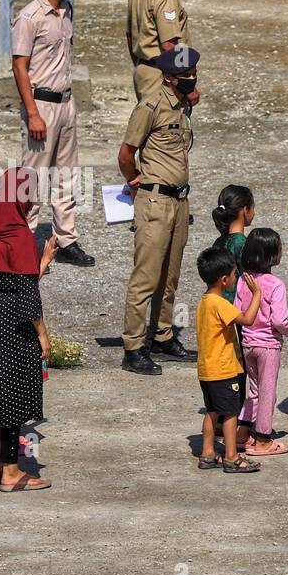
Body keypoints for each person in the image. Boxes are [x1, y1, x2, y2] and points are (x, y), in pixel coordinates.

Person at [0, 168, 57, 493]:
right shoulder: (20, 236)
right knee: (14, 393)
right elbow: (27, 297)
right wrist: (42, 335)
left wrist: (40, 264)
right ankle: (11, 471)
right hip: (15, 323)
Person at [118, 45, 200, 376]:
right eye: (185, 76)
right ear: (167, 77)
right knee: (146, 277)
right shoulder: (149, 106)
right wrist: (135, 180)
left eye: (194, 74)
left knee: (170, 276)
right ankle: (134, 347)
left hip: (179, 201)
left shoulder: (181, 104)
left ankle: (163, 334)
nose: (191, 80)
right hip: (154, 201)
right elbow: (126, 153)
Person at [11, 0, 94, 268]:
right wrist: (32, 113)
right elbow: (19, 66)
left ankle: (66, 239)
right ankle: (22, 241)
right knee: (33, 177)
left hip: (66, 103)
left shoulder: (66, 10)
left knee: (67, 175)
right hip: (41, 105)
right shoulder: (29, 17)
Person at [195, 247, 263, 474]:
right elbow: (248, 319)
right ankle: (232, 457)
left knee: (212, 410)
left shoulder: (204, 301)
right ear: (224, 280)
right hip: (223, 370)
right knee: (231, 413)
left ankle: (207, 453)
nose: (235, 278)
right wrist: (257, 295)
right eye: (234, 274)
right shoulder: (220, 303)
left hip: (207, 370)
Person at [235, 228, 288, 456]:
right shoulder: (275, 284)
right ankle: (262, 439)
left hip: (248, 343)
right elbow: (279, 320)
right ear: (273, 254)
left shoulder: (244, 279)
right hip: (268, 346)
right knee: (268, 392)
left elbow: (236, 311)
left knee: (254, 391)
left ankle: (242, 434)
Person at [128, 0, 193, 103]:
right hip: (163, 77)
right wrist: (186, 82)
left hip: (143, 71)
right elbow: (169, 45)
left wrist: (141, 65)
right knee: (167, 128)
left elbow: (130, 35)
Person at [211, 184, 254, 302]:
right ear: (245, 210)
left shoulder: (218, 242)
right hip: (236, 309)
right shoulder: (242, 243)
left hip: (218, 303)